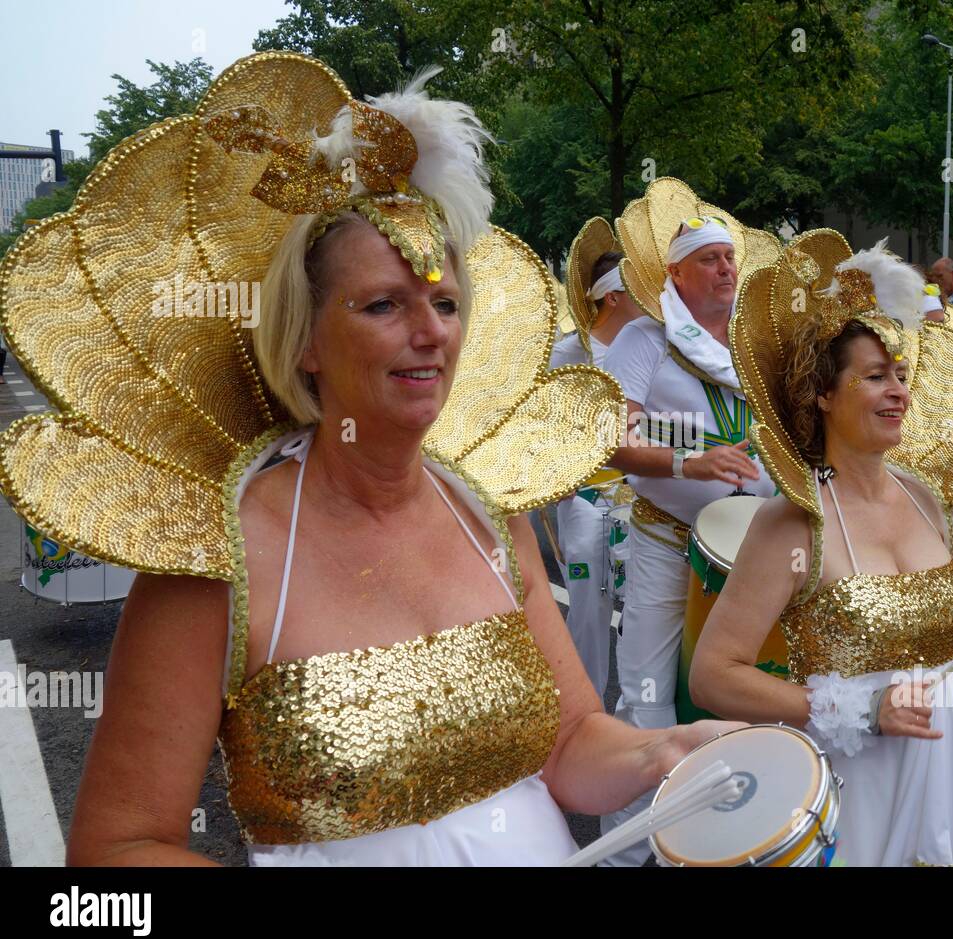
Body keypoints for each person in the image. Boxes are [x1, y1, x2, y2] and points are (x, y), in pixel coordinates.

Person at [0, 53, 732, 866]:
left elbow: (569, 745)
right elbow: (114, 855)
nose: (431, 334)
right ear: (306, 340)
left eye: (446, 304)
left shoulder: (490, 513)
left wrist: (656, 755)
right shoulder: (216, 553)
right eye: (384, 304)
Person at [688, 233, 953, 865]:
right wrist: (860, 709)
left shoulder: (923, 498)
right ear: (823, 396)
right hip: (855, 787)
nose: (898, 392)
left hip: (944, 775)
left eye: (902, 376)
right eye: (875, 377)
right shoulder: (794, 523)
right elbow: (714, 676)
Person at [597, 179, 779, 864]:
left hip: (753, 553)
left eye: (730, 257)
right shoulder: (646, 340)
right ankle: (624, 852)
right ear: (673, 275)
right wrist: (687, 464)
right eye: (708, 259)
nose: (726, 268)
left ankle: (725, 840)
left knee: (746, 692)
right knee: (646, 695)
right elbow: (609, 440)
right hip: (665, 544)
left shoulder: (756, 346)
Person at [549, 224, 643, 696]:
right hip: (583, 498)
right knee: (588, 609)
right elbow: (543, 425)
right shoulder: (567, 353)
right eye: (636, 289)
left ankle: (636, 711)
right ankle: (584, 714)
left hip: (639, 498)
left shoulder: (652, 350)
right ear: (612, 297)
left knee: (642, 612)